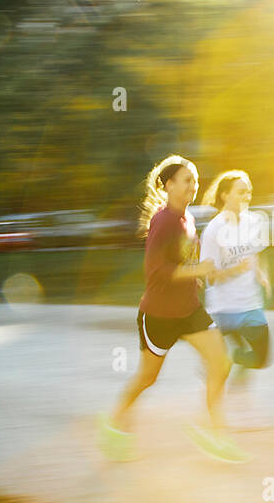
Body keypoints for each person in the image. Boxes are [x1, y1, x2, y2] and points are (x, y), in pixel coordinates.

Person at [98, 155, 252, 462]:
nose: (193, 186)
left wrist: (206, 271)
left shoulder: (187, 219)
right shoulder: (164, 219)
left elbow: (185, 264)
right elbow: (157, 270)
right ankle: (114, 421)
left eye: (195, 181)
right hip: (158, 316)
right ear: (169, 185)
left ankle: (216, 433)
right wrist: (197, 270)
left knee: (221, 362)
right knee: (147, 378)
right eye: (186, 180)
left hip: (189, 311)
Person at [199, 170, 272, 390]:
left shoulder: (254, 221)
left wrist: (261, 274)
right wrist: (235, 270)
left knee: (262, 359)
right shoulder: (214, 230)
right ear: (224, 195)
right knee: (214, 370)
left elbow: (257, 253)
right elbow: (210, 276)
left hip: (250, 305)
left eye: (248, 192)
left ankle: (234, 359)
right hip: (222, 309)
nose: (246, 196)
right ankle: (215, 413)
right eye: (241, 192)